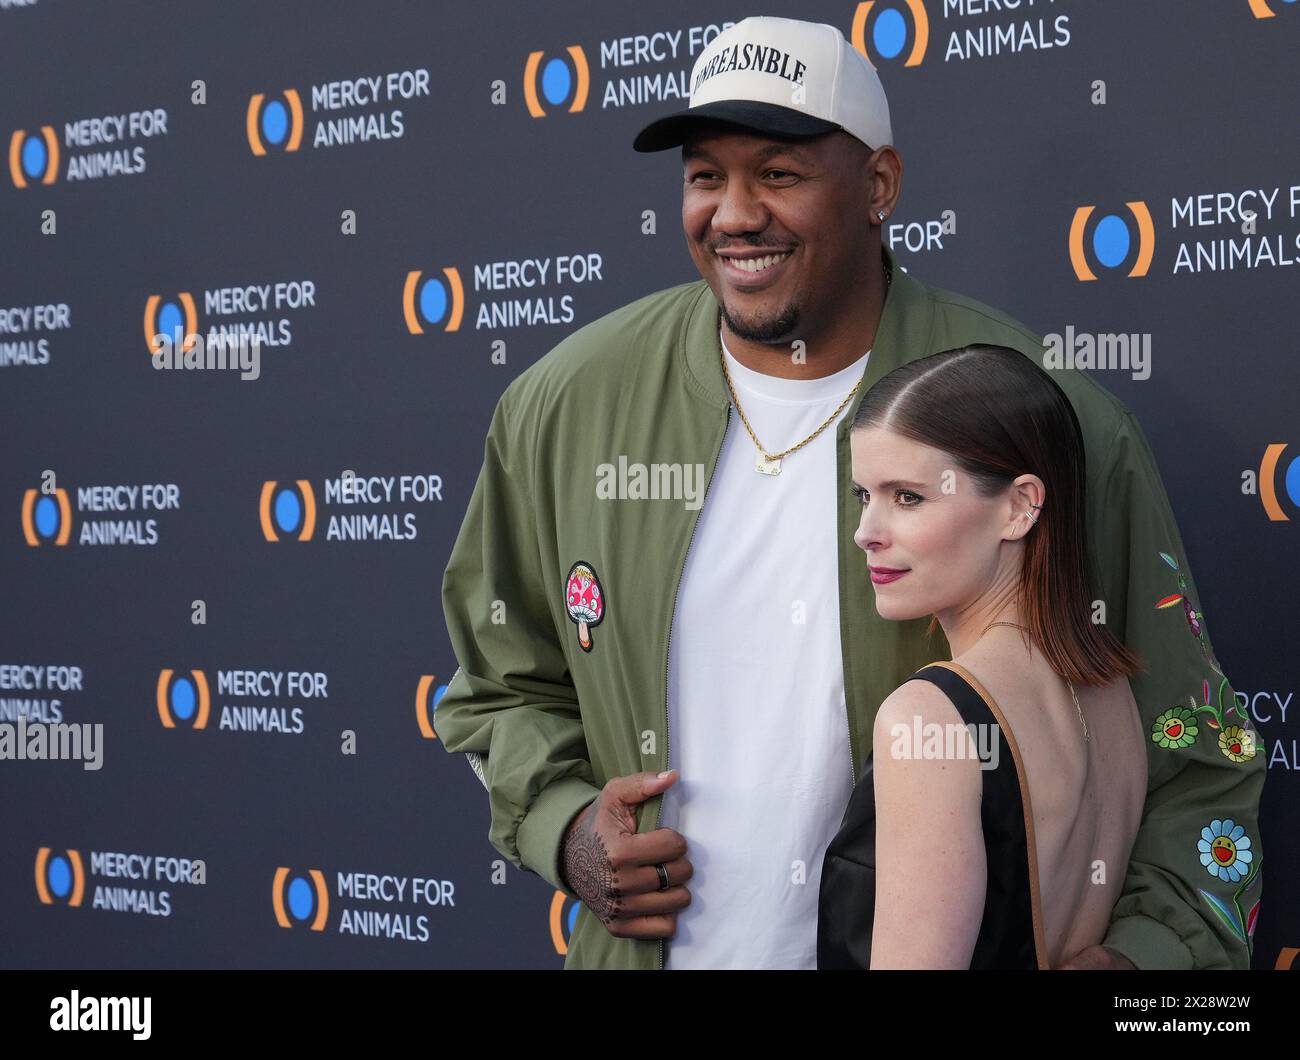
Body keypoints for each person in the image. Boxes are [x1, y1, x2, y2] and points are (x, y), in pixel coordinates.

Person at [434, 15, 1264, 969]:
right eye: (706, 176)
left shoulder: (1046, 413)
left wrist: (1143, 964)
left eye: (779, 174)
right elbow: (498, 689)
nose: (735, 213)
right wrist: (567, 827)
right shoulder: (564, 405)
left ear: (879, 186)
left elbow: (1197, 753)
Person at [818, 345, 1150, 969]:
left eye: (908, 497)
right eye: (864, 494)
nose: (867, 531)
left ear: (1019, 506)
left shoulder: (928, 718)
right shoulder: (1109, 688)